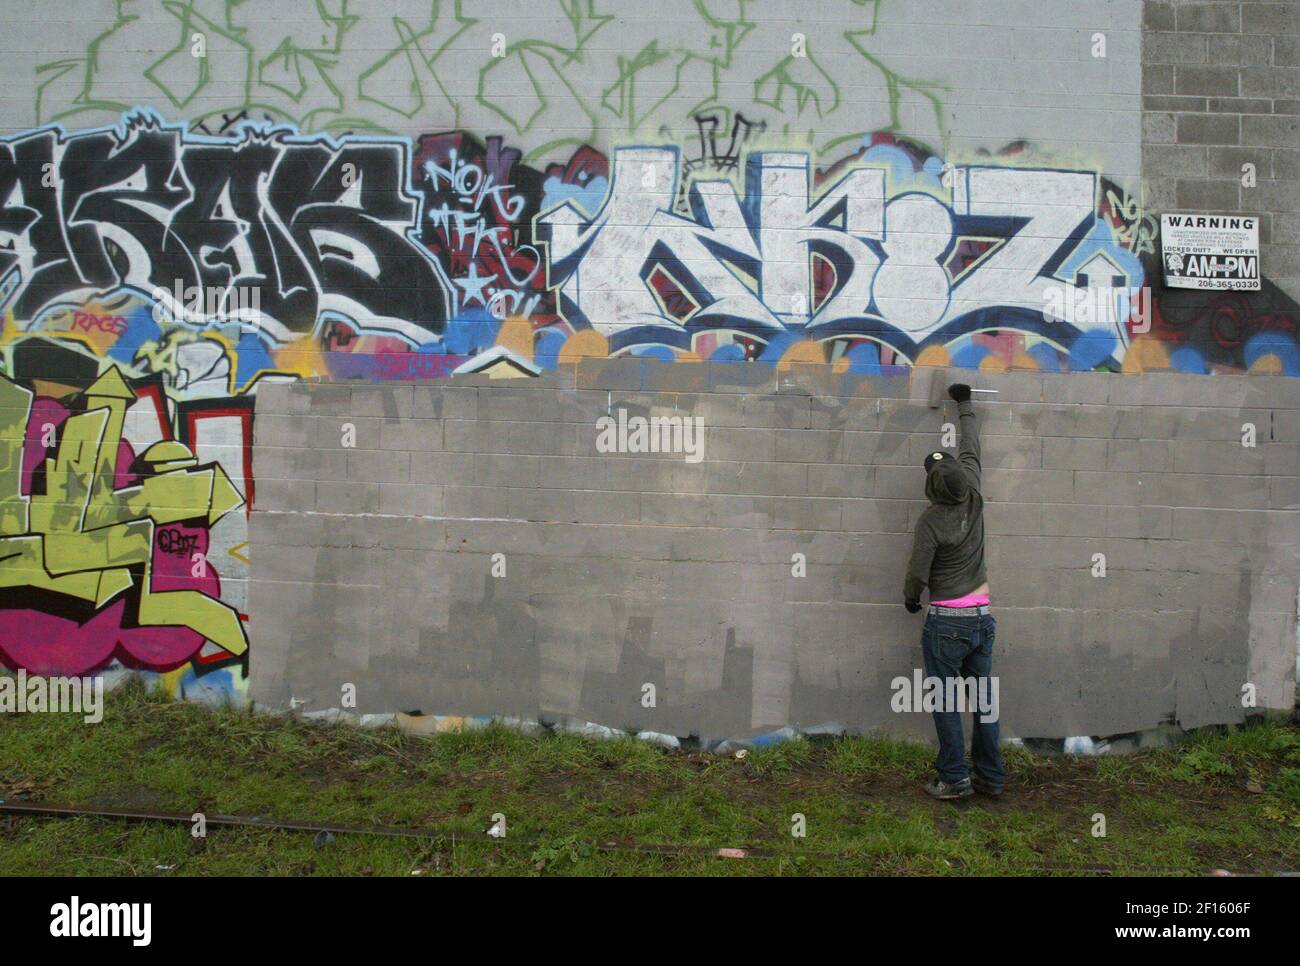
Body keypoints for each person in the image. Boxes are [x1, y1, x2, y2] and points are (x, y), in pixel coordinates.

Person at [903, 382, 1005, 800]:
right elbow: (971, 445)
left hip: (946, 625)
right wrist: (964, 403)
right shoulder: (975, 494)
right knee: (984, 701)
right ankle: (991, 777)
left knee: (945, 701)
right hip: (981, 619)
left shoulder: (930, 521)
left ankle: (954, 778)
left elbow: (917, 572)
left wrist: (910, 598)